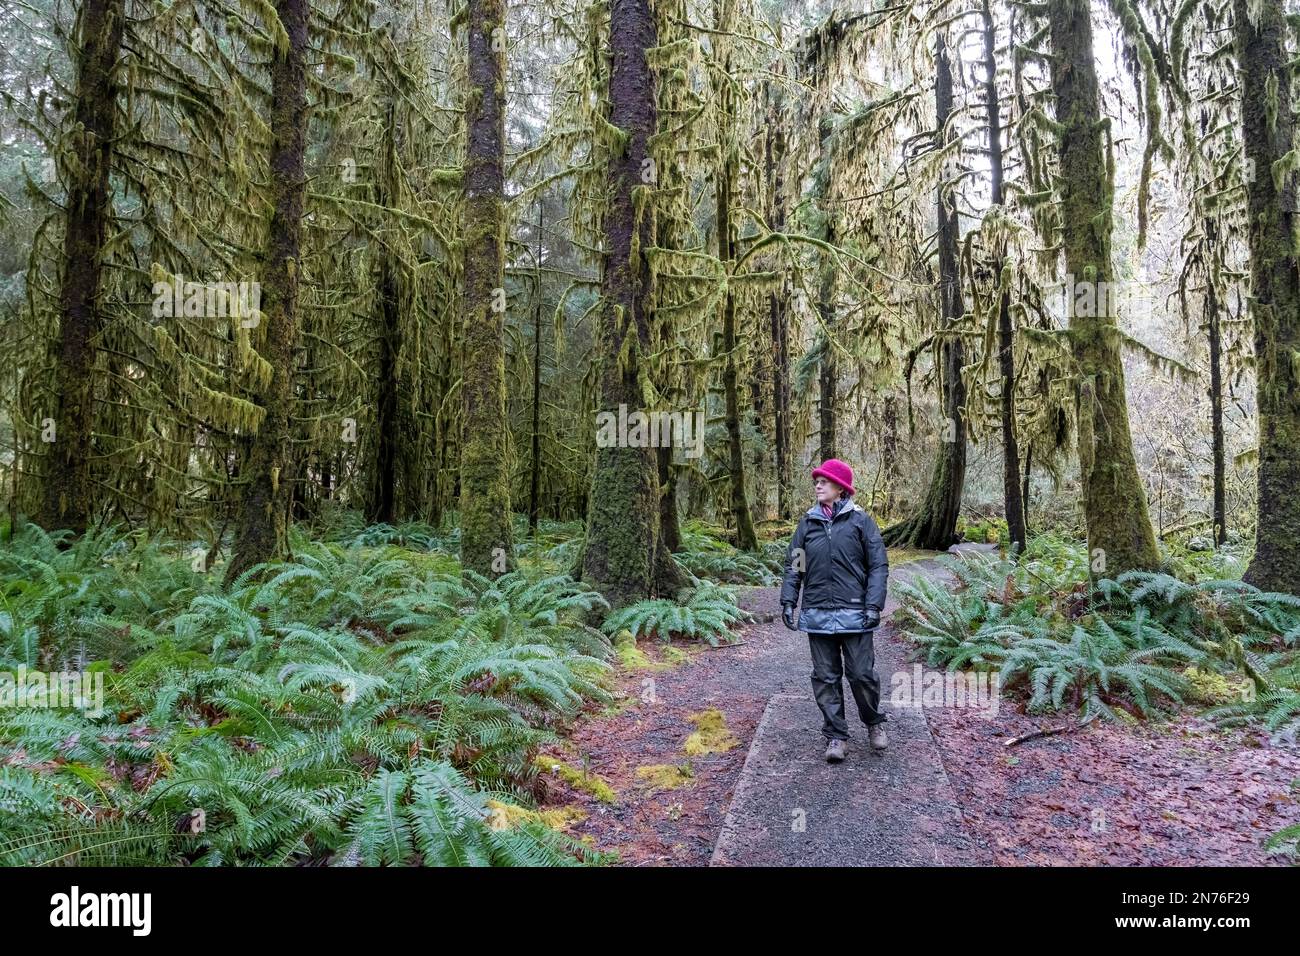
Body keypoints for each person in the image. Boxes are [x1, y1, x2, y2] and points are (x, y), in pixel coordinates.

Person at [780, 458, 890, 763]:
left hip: (856, 613)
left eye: (824, 481)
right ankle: (836, 736)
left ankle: (874, 723)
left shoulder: (861, 522)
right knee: (825, 677)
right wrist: (789, 600)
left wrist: (873, 604)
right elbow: (795, 565)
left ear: (840, 489)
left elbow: (878, 566)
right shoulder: (807, 523)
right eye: (816, 481)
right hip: (817, 613)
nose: (817, 485)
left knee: (861, 674)